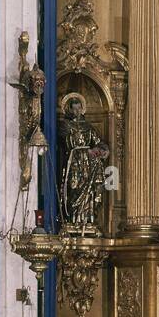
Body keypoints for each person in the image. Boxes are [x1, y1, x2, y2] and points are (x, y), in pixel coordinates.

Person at [59, 94, 108, 228]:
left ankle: (86, 220)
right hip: (73, 161)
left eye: (79, 108)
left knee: (89, 190)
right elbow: (62, 141)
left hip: (87, 163)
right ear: (69, 109)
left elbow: (98, 142)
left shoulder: (88, 127)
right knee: (73, 188)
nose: (76, 111)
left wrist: (101, 150)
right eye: (74, 108)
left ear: (82, 108)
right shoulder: (65, 126)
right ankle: (72, 219)